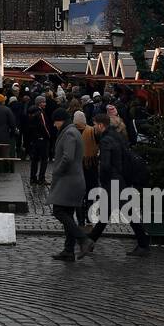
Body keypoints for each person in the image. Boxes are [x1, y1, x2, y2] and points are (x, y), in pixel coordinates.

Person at [77, 113, 151, 258]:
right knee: (106, 213)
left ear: (100, 125)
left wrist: (103, 180)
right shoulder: (117, 135)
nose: (93, 127)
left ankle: (143, 244)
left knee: (126, 212)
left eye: (94, 124)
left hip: (113, 181)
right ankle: (90, 241)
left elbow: (105, 165)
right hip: (120, 178)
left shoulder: (105, 140)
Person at [47, 110, 87, 261]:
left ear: (61, 120)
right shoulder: (72, 131)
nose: (54, 125)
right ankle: (69, 250)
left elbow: (68, 157)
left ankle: (83, 239)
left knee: (58, 211)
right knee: (68, 214)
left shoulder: (69, 133)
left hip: (69, 180)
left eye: (55, 122)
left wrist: (57, 171)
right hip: (72, 180)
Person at [23, 95, 52, 185]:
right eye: (44, 102)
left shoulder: (30, 112)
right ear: (40, 103)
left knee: (35, 159)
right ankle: (41, 178)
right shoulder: (40, 113)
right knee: (44, 159)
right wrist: (49, 136)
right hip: (42, 139)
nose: (45, 104)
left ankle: (33, 177)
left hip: (34, 139)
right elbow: (44, 126)